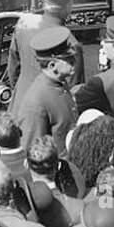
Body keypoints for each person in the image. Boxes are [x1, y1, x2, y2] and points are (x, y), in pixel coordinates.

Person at [8, 0, 85, 117]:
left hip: (19, 107)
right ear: (69, 5)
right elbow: (75, 91)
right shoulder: (71, 43)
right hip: (50, 117)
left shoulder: (23, 24)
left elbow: (13, 70)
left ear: (44, 1)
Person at [15, 25, 80, 155]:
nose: (74, 61)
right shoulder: (36, 102)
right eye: (68, 60)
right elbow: (33, 152)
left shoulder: (59, 82)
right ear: (52, 66)